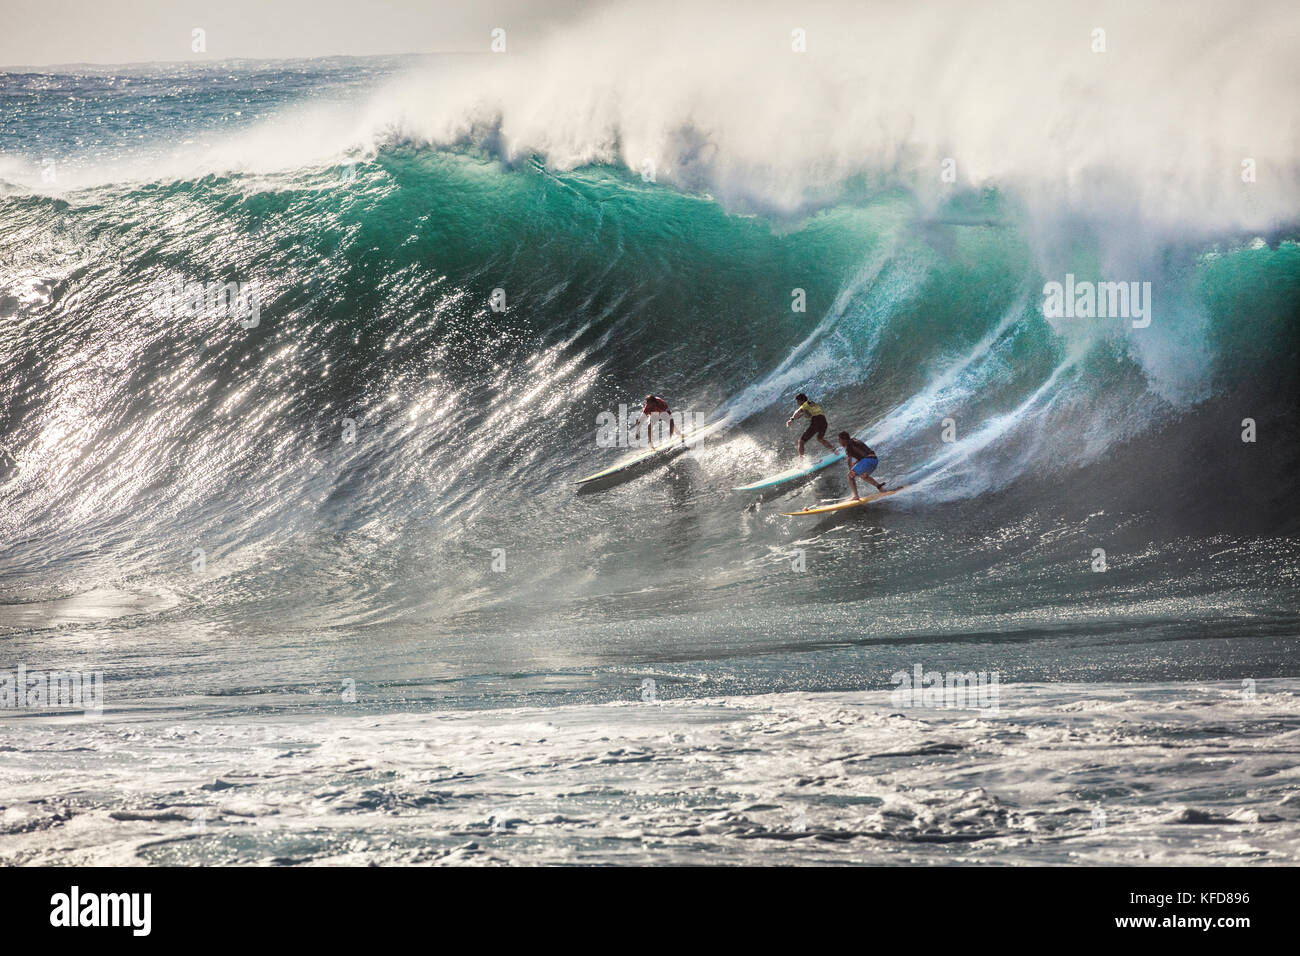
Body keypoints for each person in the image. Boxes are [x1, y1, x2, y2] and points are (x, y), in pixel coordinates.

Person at [838, 431, 886, 499]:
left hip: (867, 460)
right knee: (863, 475)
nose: (839, 442)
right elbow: (863, 453)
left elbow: (849, 459)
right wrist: (857, 462)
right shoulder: (855, 440)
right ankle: (880, 488)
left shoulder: (848, 446)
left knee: (850, 476)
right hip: (874, 459)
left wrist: (850, 470)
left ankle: (856, 496)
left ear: (844, 440)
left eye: (839, 440)